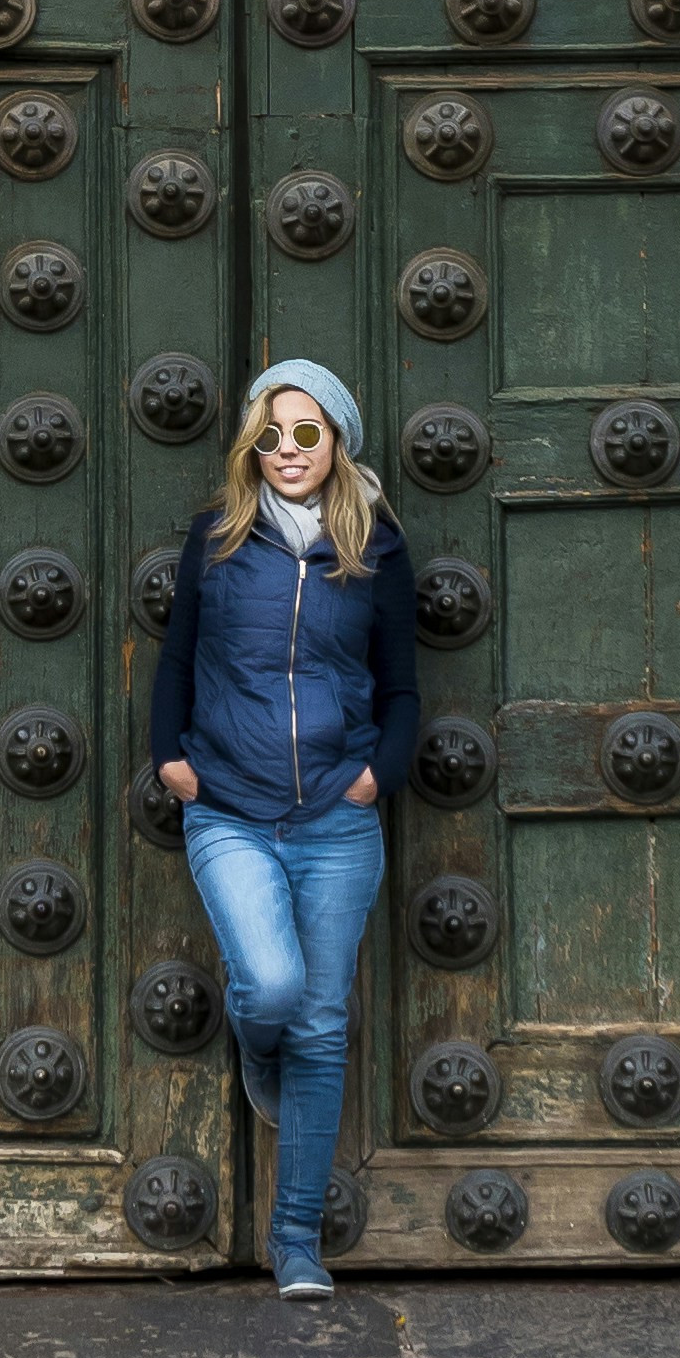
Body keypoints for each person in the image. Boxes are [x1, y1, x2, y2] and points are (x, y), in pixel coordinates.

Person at [145, 357, 419, 1299]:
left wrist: (379, 772)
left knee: (321, 1023)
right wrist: (169, 757)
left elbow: (401, 685)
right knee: (270, 989)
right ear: (250, 447)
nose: (288, 450)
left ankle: (296, 1240)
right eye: (271, 435)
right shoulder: (216, 539)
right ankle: (253, 1043)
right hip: (229, 805)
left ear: (336, 441)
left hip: (336, 819)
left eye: (307, 433)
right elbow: (178, 654)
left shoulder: (375, 549)